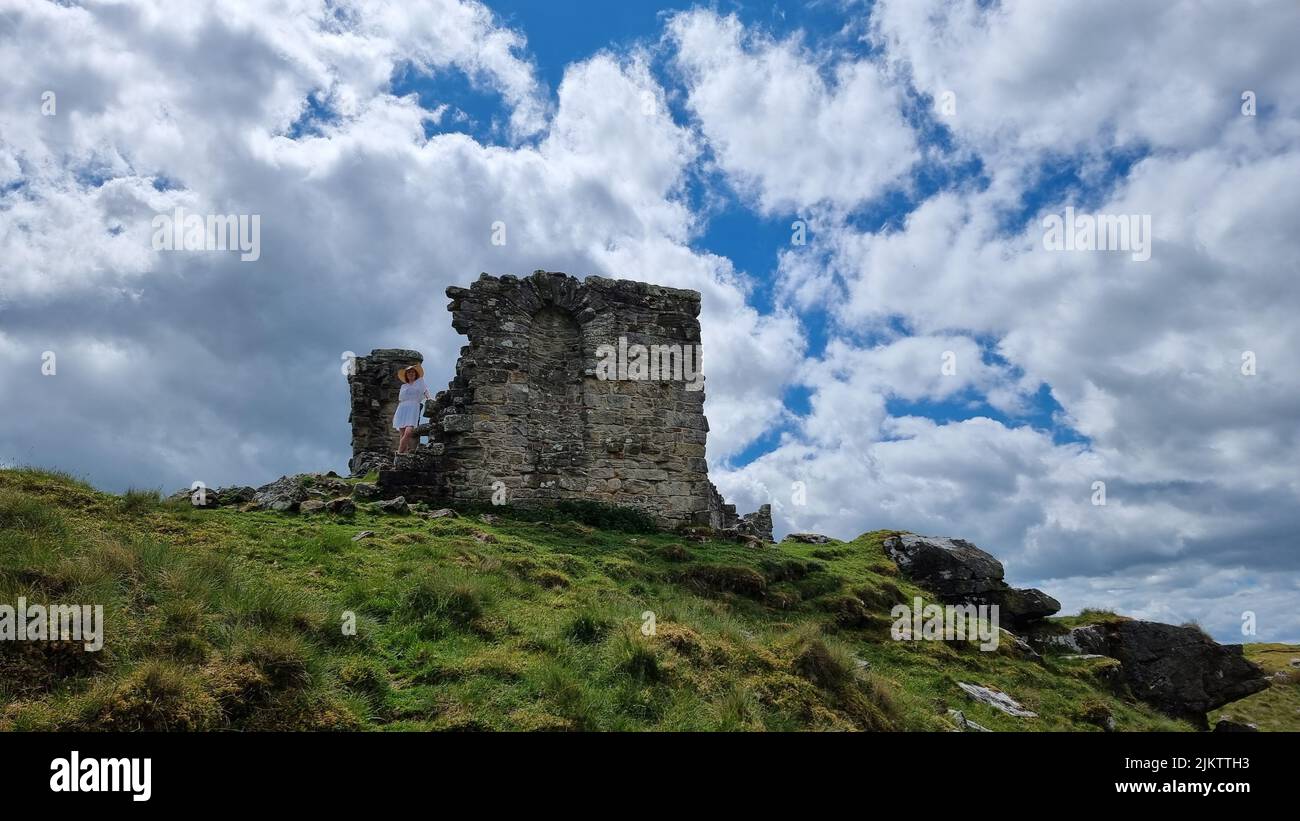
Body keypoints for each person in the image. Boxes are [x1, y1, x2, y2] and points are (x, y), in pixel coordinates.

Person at [393, 364, 430, 458]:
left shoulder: (420, 382)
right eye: (409, 372)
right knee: (402, 434)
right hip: (402, 408)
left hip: (413, 407)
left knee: (408, 432)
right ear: (406, 375)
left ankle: (399, 453)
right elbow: (401, 399)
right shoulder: (403, 386)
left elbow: (425, 391)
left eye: (412, 372)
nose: (411, 373)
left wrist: (429, 399)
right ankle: (403, 455)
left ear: (416, 373)